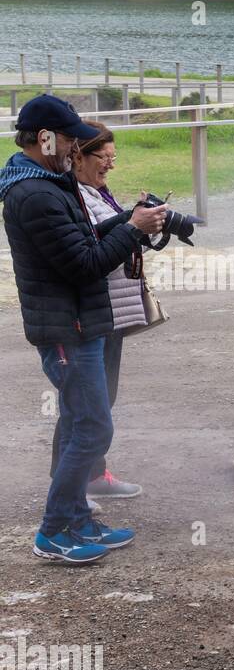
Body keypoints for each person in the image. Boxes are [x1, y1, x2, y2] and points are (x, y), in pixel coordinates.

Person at [0, 95, 166, 564]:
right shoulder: (34, 194)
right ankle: (52, 532)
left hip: (80, 322)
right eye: (71, 138)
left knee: (80, 422)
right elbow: (85, 263)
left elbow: (88, 237)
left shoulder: (50, 182)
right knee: (92, 427)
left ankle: (79, 521)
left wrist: (135, 218)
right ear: (46, 138)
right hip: (66, 329)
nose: (76, 147)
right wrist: (132, 229)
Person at [51, 121, 147, 505]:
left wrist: (144, 223)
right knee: (81, 406)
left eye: (114, 157)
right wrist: (133, 225)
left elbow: (110, 238)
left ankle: (92, 474)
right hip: (85, 313)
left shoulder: (95, 191)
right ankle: (69, 490)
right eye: (104, 157)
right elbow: (89, 254)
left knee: (101, 400)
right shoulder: (68, 195)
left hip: (109, 310)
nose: (110, 165)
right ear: (78, 155)